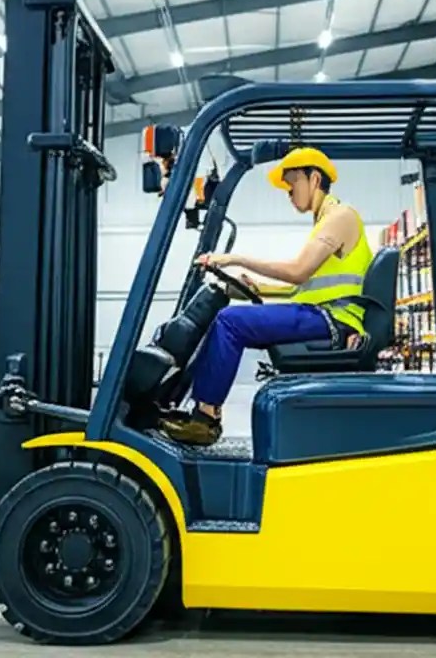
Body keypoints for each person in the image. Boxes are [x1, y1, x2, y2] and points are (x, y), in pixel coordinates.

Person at [158, 147, 372, 447]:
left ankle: (206, 417)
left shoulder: (340, 216)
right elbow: (300, 288)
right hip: (320, 314)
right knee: (229, 319)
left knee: (230, 322)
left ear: (314, 178)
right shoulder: (326, 221)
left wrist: (234, 259)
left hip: (332, 321)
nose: (288, 193)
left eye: (291, 182)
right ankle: (197, 408)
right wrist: (253, 289)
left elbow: (297, 272)